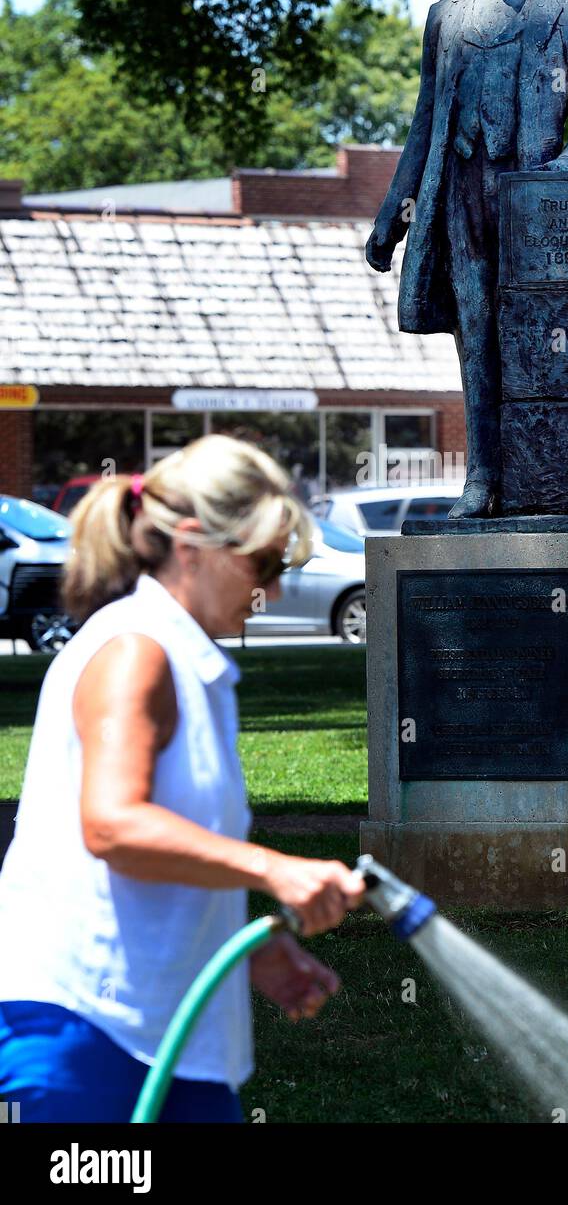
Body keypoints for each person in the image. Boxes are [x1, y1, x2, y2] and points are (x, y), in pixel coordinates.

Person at [0, 434, 366, 1122]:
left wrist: (244, 953)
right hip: (84, 1033)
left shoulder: (190, 662)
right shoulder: (135, 651)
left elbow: (164, 853)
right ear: (193, 543)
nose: (276, 587)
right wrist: (275, 870)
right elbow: (113, 825)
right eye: (263, 561)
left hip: (167, 1039)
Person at [365, 0, 568, 518]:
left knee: (541, 341)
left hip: (537, 210)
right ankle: (482, 479)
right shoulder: (446, 18)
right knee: (476, 340)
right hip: (462, 203)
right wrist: (393, 213)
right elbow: (424, 124)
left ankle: (547, 480)